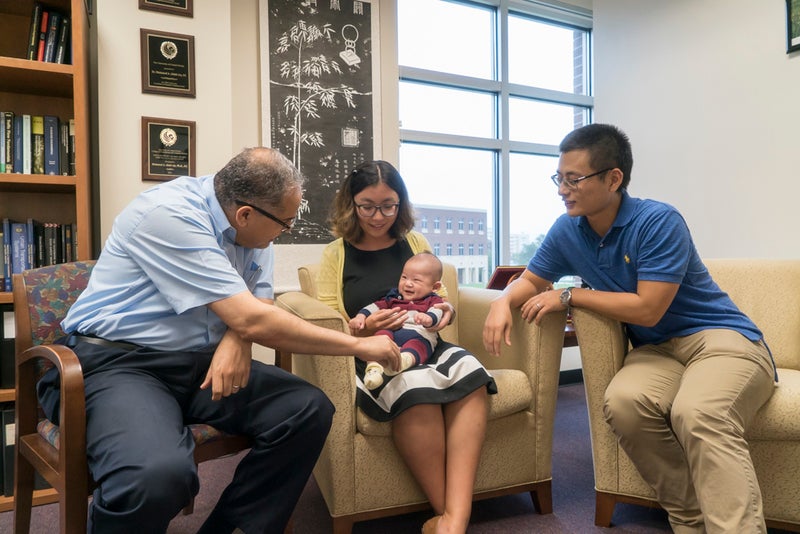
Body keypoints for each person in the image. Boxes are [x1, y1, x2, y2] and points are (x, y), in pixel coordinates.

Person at [37, 147, 400, 534]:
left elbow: (255, 304)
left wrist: (236, 339)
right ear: (245, 215)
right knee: (157, 475)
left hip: (200, 364)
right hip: (117, 365)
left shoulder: (258, 222)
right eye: (286, 223)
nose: (285, 231)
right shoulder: (168, 214)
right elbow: (252, 316)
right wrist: (359, 345)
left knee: (306, 409)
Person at [482, 124, 777, 534]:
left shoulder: (657, 221)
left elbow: (648, 308)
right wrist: (502, 301)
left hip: (719, 339)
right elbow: (532, 279)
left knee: (699, 412)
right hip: (658, 351)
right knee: (623, 403)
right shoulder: (569, 228)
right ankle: (690, 521)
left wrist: (570, 296)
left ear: (613, 178)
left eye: (573, 179)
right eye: (559, 178)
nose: (562, 190)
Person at [318, 160, 497, 534]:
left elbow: (440, 293)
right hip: (371, 352)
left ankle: (453, 521)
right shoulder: (336, 253)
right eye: (367, 205)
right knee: (417, 391)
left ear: (401, 204)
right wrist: (364, 333)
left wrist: (443, 312)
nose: (378, 215)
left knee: (473, 375)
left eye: (389, 205)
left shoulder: (415, 244)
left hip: (427, 343)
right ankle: (449, 516)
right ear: (351, 204)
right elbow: (329, 316)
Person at [349, 251, 445, 390]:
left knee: (419, 346)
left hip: (419, 334)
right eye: (404, 277)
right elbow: (375, 306)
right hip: (391, 333)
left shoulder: (433, 299)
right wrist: (360, 317)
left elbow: (439, 311)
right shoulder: (394, 297)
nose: (408, 284)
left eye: (416, 280)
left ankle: (402, 363)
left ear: (435, 287)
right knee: (380, 336)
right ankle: (373, 369)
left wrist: (429, 318)